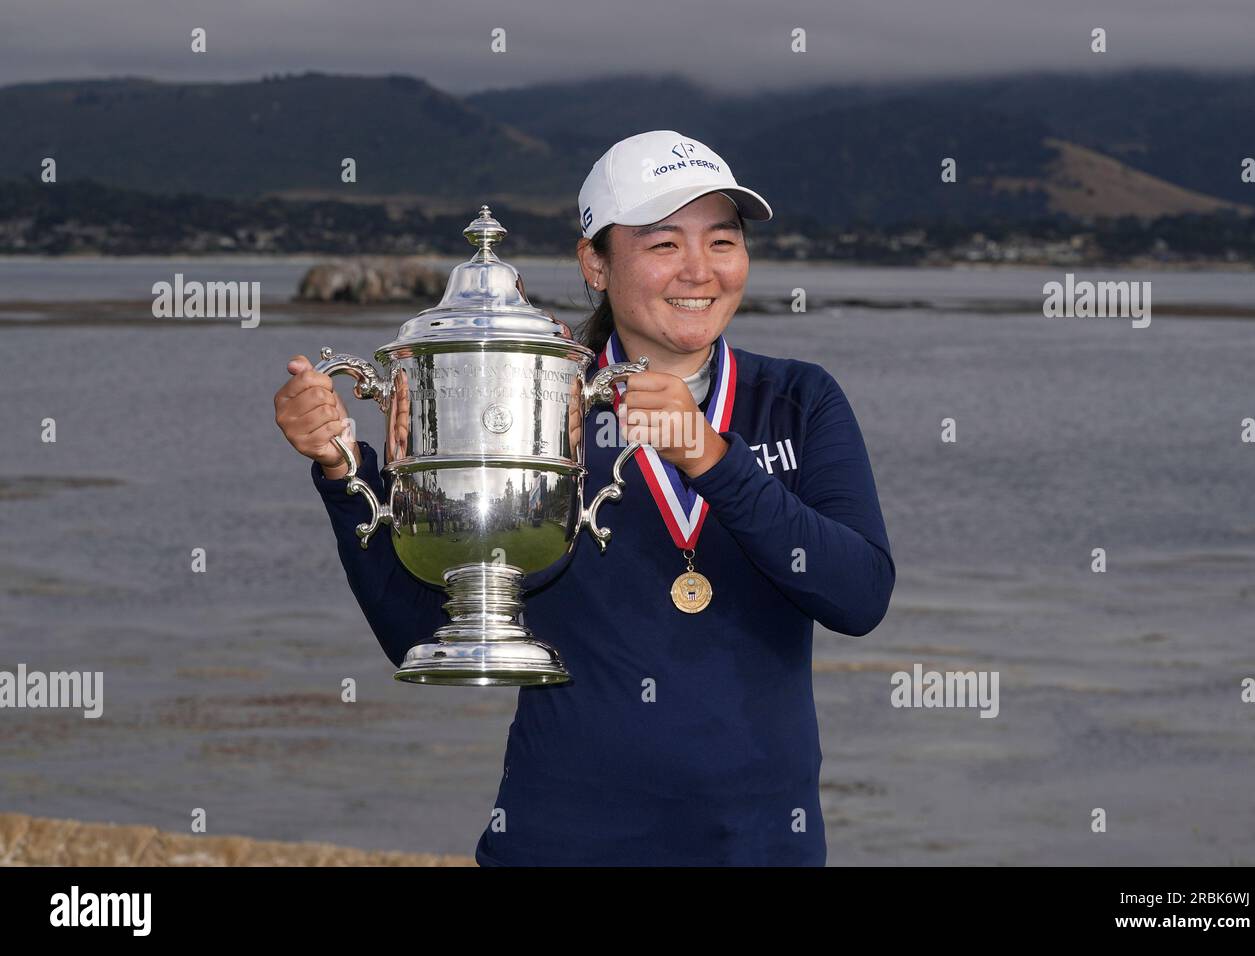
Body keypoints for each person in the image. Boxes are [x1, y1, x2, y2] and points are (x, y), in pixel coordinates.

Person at [273, 129, 895, 866]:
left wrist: (710, 457)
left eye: (721, 242)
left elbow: (858, 597)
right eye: (663, 245)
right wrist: (345, 474)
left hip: (763, 847)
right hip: (565, 843)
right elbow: (418, 632)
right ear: (595, 265)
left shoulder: (797, 400)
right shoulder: (536, 406)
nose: (699, 271)